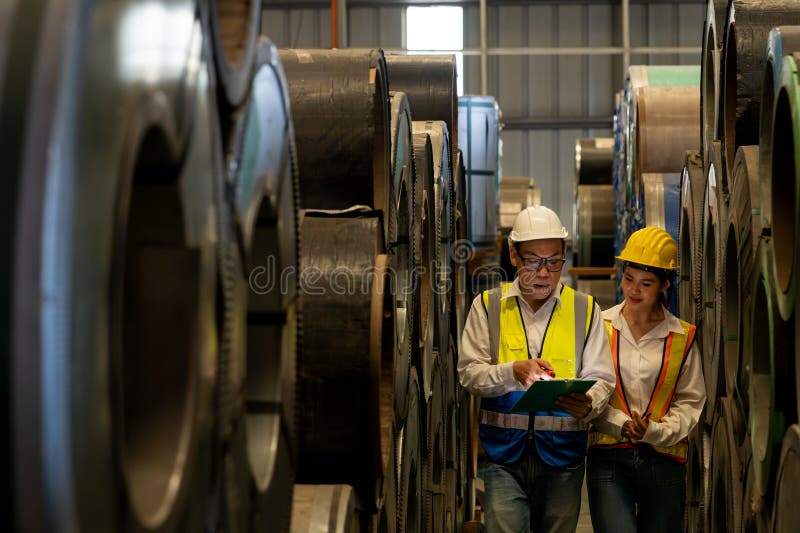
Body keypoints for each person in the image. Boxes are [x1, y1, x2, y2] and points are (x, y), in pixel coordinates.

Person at [458, 204, 616, 533]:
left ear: (563, 256)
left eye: (553, 261)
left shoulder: (585, 310)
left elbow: (602, 378)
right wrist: (511, 371)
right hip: (504, 456)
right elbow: (469, 373)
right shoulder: (487, 307)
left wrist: (590, 404)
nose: (544, 273)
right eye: (533, 261)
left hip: (564, 460)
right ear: (513, 256)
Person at [586, 226, 706, 533]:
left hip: (664, 459)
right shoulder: (601, 325)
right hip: (609, 457)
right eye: (628, 279)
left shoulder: (682, 336)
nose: (633, 290)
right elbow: (591, 393)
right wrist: (622, 425)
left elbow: (690, 403)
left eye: (646, 283)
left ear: (665, 284)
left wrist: (653, 431)